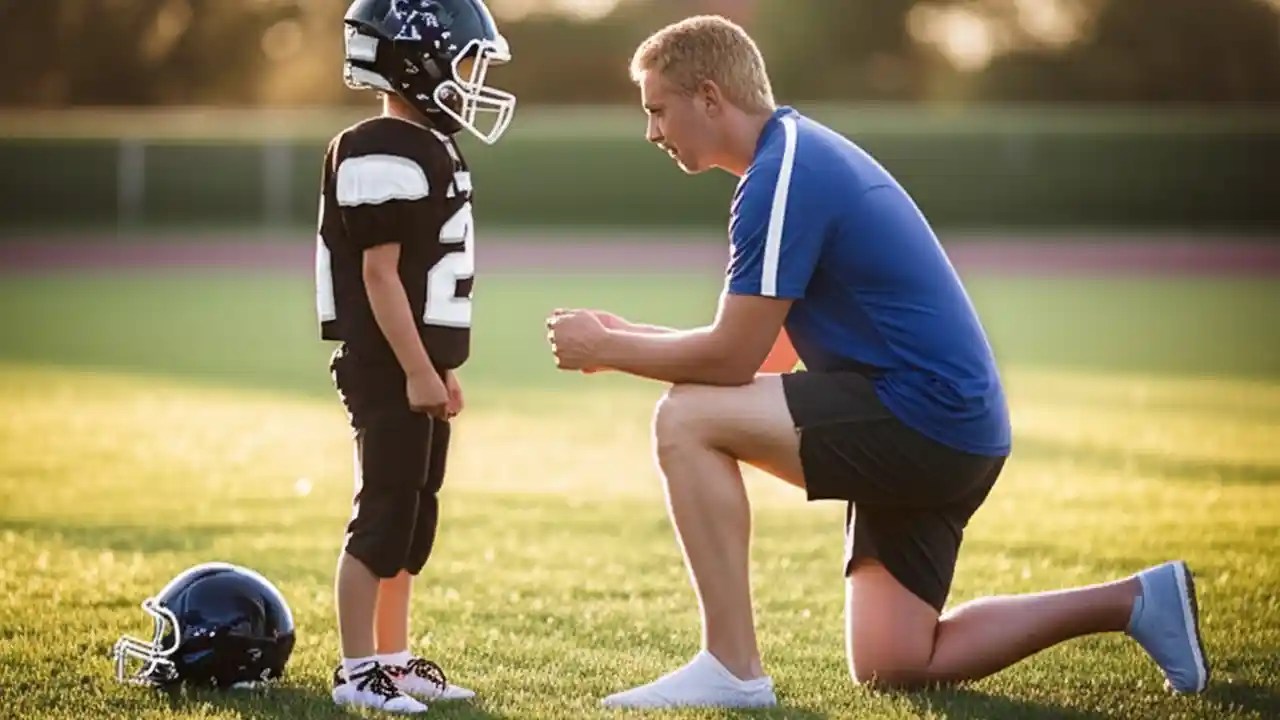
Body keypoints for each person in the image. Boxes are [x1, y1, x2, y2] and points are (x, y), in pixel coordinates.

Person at [546, 14, 1208, 710]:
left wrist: (611, 348)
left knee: (685, 419)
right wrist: (628, 337)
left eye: (657, 108)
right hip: (955, 429)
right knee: (894, 660)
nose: (652, 131)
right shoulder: (794, 157)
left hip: (923, 417)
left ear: (709, 96)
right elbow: (759, 348)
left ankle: (731, 668)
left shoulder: (783, 173)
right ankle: (1136, 601)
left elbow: (734, 356)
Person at [315, 0, 516, 712]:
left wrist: (441, 367)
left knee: (410, 515)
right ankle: (355, 669)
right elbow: (379, 276)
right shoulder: (381, 145)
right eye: (465, 60)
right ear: (415, 60)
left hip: (415, 365)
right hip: (386, 367)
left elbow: (423, 278)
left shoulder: (427, 144)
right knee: (382, 510)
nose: (472, 78)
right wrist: (417, 370)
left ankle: (392, 660)